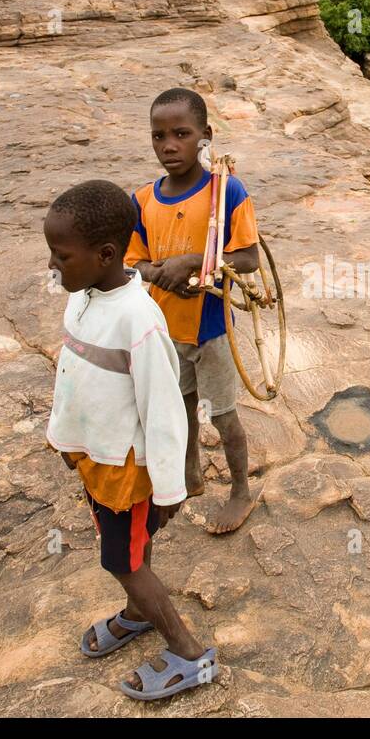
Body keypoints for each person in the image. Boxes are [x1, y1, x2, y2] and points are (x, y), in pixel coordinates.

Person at [45, 179, 218, 700]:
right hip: (94, 458)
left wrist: (169, 489)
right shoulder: (83, 296)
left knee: (124, 559)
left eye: (61, 256)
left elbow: (164, 412)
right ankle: (139, 611)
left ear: (104, 254)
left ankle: (190, 654)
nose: (54, 266)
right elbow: (75, 373)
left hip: (126, 468)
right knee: (124, 544)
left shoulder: (139, 320)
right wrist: (64, 437)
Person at [125, 87, 261, 534]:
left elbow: (247, 258)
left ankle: (241, 490)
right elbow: (133, 261)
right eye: (159, 136)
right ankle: (190, 473)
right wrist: (156, 272)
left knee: (221, 413)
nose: (169, 146)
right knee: (178, 405)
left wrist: (193, 264)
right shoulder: (143, 199)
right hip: (163, 327)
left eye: (181, 134)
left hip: (211, 327)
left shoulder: (225, 191)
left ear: (205, 135)